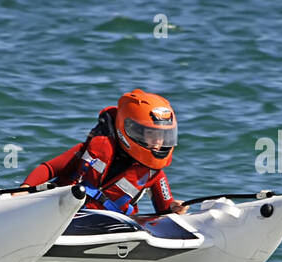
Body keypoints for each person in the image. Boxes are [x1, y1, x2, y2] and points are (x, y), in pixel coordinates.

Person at [21, 89, 188, 217]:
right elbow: (50, 168)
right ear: (130, 130)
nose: (159, 143)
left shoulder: (153, 173)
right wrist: (25, 188)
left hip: (107, 229)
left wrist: (174, 208)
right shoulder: (93, 148)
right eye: (151, 135)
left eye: (163, 136)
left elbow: (164, 209)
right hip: (59, 213)